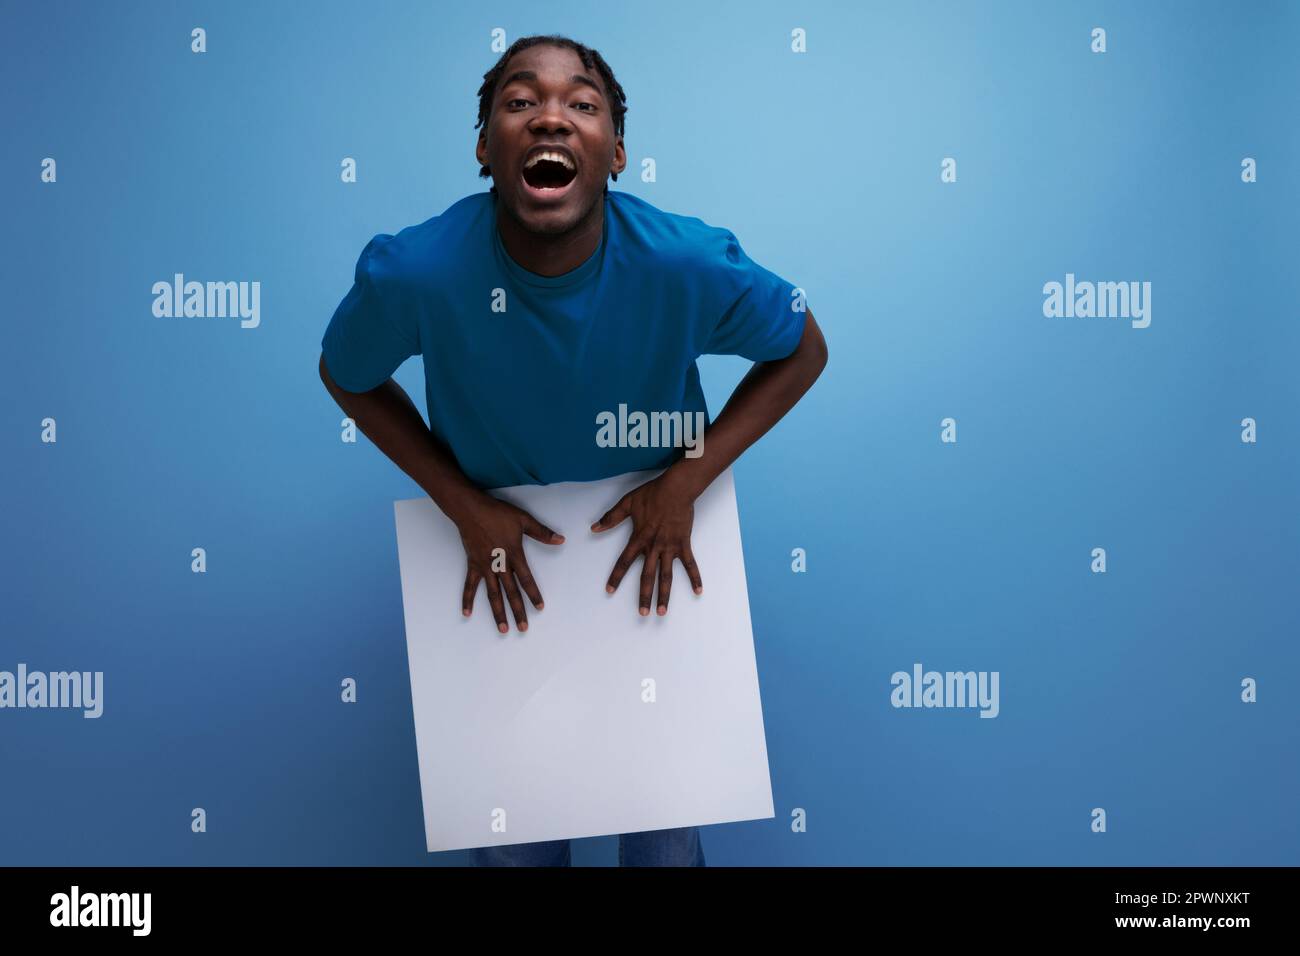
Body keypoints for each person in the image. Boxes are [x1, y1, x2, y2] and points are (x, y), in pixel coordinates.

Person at [319, 33, 828, 866]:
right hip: (501, 574)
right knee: (514, 842)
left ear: (617, 153)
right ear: (486, 147)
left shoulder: (684, 263)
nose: (550, 116)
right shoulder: (419, 273)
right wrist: (464, 505)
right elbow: (346, 372)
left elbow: (803, 348)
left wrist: (685, 484)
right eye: (520, 101)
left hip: (654, 566)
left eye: (582, 104)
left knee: (665, 836)